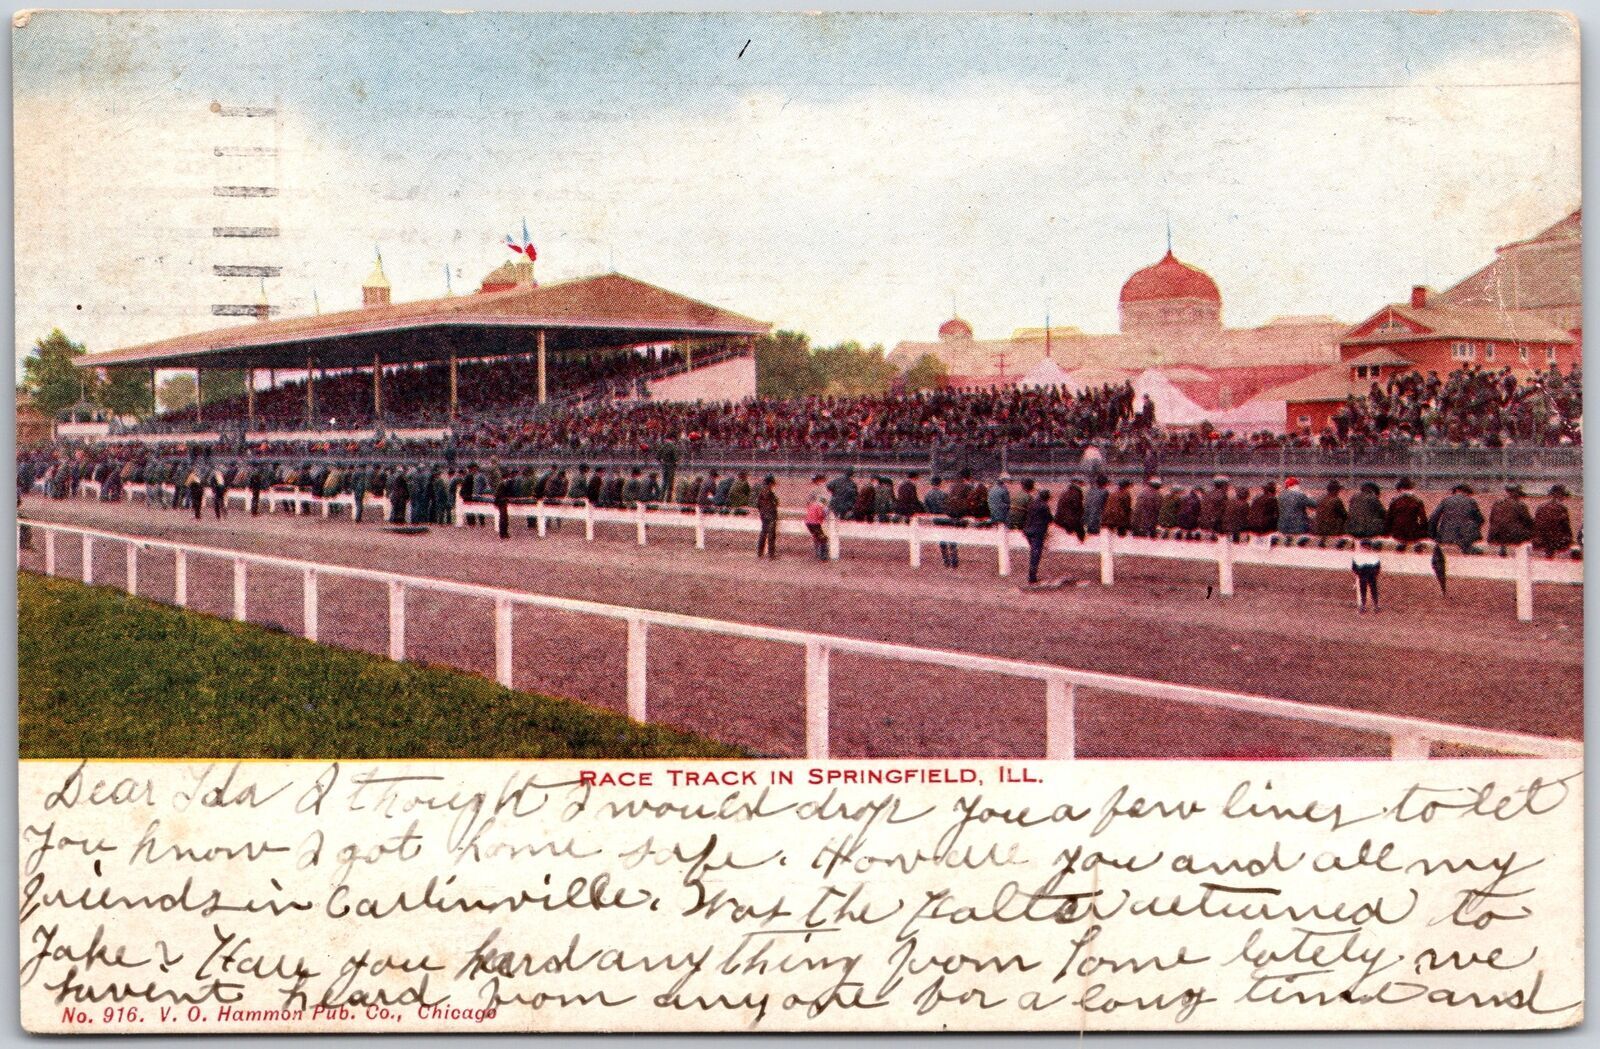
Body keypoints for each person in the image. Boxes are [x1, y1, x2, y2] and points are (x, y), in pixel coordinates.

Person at [1430, 483, 1484, 554]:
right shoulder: (1471, 501)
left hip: (1446, 537)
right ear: (1467, 492)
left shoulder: (1446, 501)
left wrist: (1434, 535)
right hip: (1466, 538)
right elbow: (1480, 519)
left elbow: (1433, 518)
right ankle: (1467, 546)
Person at [1533, 484, 1574, 557]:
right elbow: (1566, 527)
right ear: (1559, 495)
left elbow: (1536, 524)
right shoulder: (1562, 508)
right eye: (1563, 495)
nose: (1564, 497)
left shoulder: (1540, 507)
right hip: (1556, 542)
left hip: (1540, 541)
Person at [1023, 486, 1053, 584]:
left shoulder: (1032, 503)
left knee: (1033, 552)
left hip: (1028, 530)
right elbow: (1050, 519)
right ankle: (1032, 577)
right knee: (1035, 555)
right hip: (1037, 531)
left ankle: (1032, 575)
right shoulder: (1044, 506)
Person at [1385, 477, 1429, 543]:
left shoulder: (1394, 501)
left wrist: (1388, 532)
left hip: (1397, 533)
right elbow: (1423, 520)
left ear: (1400, 489)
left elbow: (1388, 519)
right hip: (1412, 533)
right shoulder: (1418, 501)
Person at [1352, 542, 1382, 613]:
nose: (1365, 549)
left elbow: (1377, 567)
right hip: (1362, 575)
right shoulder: (1357, 557)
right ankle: (1363, 606)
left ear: (1369, 548)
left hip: (1371, 575)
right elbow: (1354, 567)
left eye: (1366, 548)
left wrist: (1375, 574)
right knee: (1363, 591)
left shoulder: (1374, 557)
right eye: (1363, 547)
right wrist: (1358, 574)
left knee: (1373, 590)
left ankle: (1376, 606)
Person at [1054, 477, 1086, 542]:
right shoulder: (1076, 493)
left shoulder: (1065, 492)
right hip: (1069, 519)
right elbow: (1077, 507)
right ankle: (1081, 544)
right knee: (1081, 532)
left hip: (1060, 519)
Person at [804, 477, 829, 560]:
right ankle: (823, 556)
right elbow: (821, 513)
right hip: (815, 522)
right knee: (822, 537)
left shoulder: (814, 491)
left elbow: (808, 501)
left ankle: (817, 553)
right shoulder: (823, 491)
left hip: (808, 521)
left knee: (816, 536)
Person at [755, 475, 779, 559]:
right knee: (771, 534)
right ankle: (771, 554)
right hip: (770, 514)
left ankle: (760, 552)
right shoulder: (768, 492)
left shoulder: (762, 491)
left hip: (763, 514)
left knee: (763, 533)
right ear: (770, 483)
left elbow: (757, 504)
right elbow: (775, 502)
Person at [494, 469, 515, 539]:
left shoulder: (503, 483)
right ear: (506, 476)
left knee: (504, 518)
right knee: (503, 518)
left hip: (502, 501)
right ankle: (503, 533)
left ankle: (504, 533)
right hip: (501, 501)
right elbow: (497, 494)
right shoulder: (502, 483)